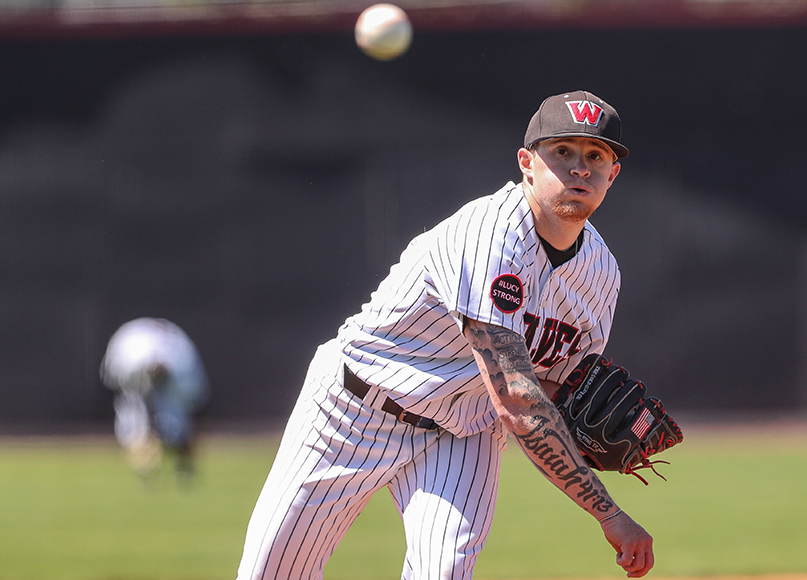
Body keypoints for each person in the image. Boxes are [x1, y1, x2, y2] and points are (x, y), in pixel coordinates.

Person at [236, 91, 655, 580]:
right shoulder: (488, 236)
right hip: (353, 409)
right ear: (527, 162)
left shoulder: (602, 273)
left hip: (462, 430)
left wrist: (579, 405)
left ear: (612, 173)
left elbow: (558, 386)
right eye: (561, 151)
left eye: (595, 155)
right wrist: (609, 513)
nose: (579, 168)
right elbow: (518, 402)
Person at [100, 317, 210, 482]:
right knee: (134, 431)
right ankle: (148, 467)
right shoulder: (130, 357)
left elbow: (193, 394)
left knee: (176, 430)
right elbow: (113, 377)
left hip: (172, 385)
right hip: (135, 383)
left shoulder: (181, 364)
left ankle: (183, 464)